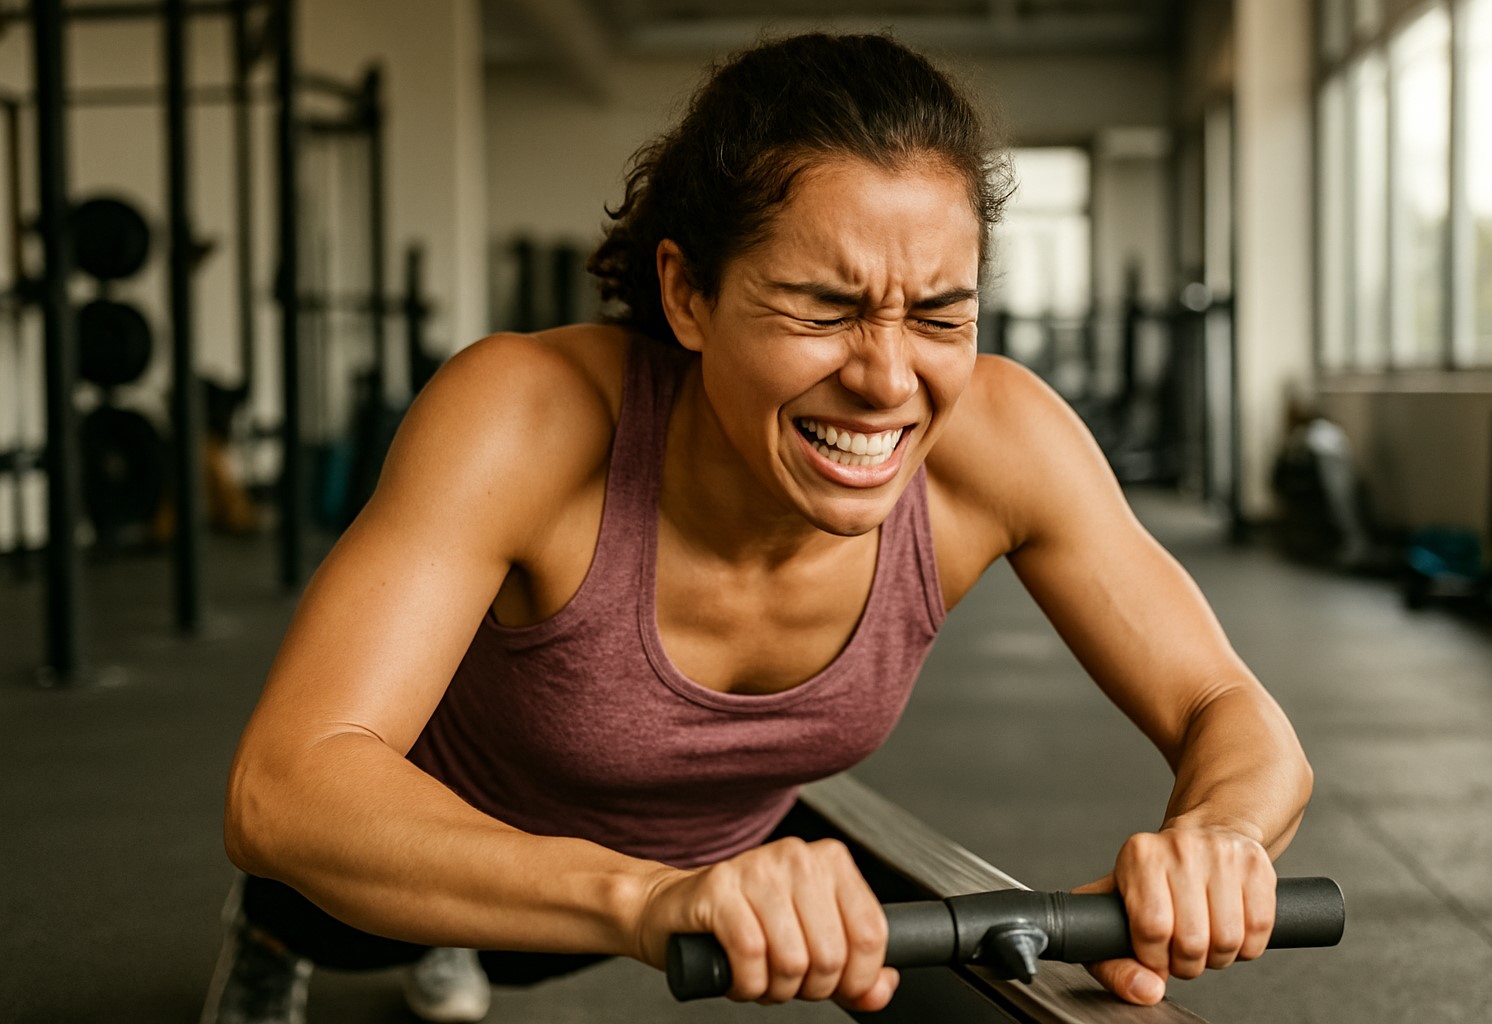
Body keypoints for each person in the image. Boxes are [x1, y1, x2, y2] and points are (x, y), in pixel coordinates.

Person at [201, 31, 1313, 1024]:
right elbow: (285, 786)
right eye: (822, 309)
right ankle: (275, 945)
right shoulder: (527, 416)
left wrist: (1219, 835)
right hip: (414, 871)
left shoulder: (1003, 438)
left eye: (940, 314)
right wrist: (650, 897)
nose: (888, 379)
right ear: (686, 295)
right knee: (330, 913)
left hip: (706, 852)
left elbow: (1229, 707)